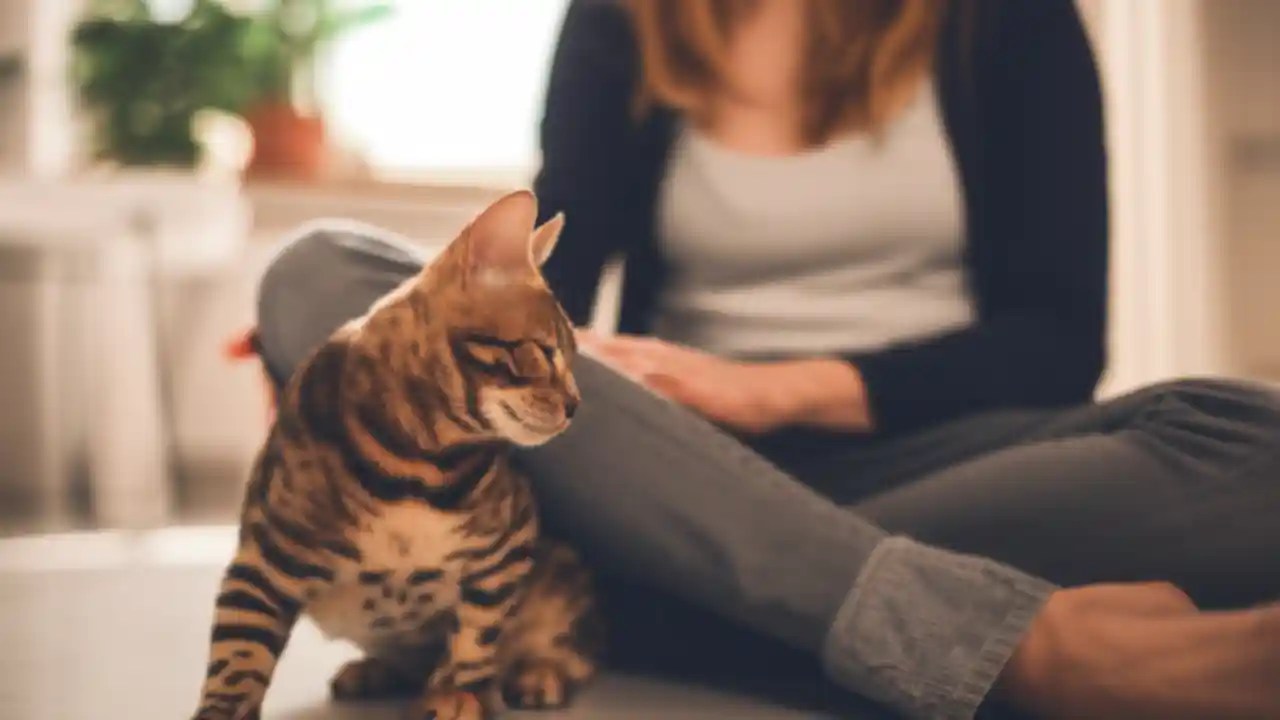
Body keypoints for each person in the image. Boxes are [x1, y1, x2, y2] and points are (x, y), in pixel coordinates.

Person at [244, 1, 1280, 718]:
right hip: (659, 467)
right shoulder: (621, 22)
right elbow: (539, 289)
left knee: (1248, 442)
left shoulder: (1005, 20)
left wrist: (766, 389)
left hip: (940, 460)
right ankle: (1013, 648)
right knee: (319, 274)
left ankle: (638, 607)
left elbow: (1054, 344)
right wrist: (386, 363)